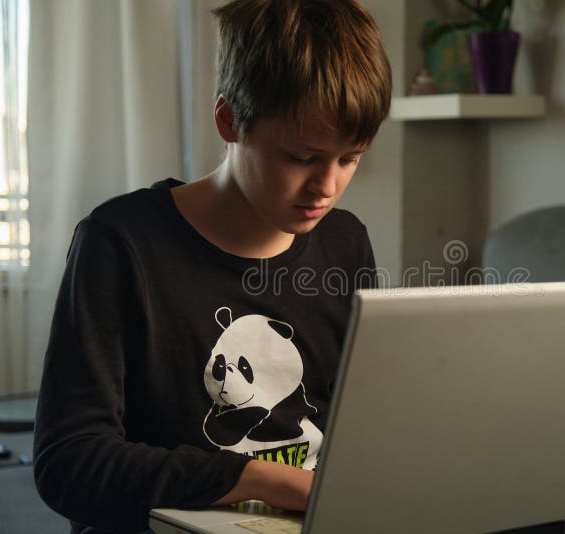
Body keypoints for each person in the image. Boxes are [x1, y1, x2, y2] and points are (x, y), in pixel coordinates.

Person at [32, 0, 391, 532]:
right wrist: (260, 478)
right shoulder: (120, 243)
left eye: (350, 158)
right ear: (229, 120)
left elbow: (359, 425)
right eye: (301, 157)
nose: (327, 187)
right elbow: (69, 461)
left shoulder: (346, 243)